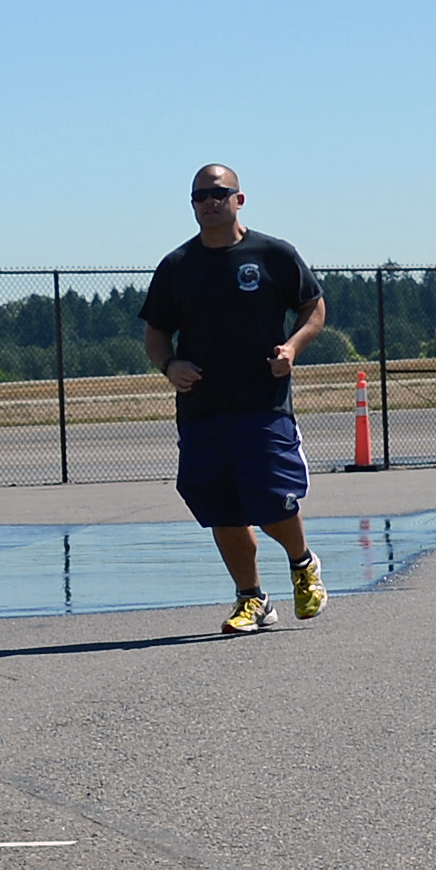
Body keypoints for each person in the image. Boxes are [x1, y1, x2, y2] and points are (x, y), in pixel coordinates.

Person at [139, 164, 329, 633]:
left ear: (239, 199)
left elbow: (313, 307)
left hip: (262, 404)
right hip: (203, 410)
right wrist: (170, 366)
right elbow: (156, 333)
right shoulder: (178, 267)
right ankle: (252, 599)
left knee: (269, 498)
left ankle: (303, 564)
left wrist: (292, 348)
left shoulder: (273, 254)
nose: (209, 202)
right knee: (218, 504)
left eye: (219, 193)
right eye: (200, 196)